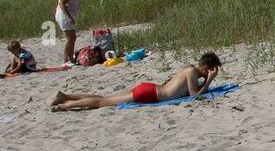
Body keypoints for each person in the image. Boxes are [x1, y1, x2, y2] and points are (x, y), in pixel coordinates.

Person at [50, 52, 221, 111]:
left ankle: (65, 96)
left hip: (150, 88)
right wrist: (209, 82)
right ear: (206, 68)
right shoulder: (192, 72)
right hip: (150, 94)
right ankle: (64, 106)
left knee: (104, 97)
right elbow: (194, 95)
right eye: (210, 71)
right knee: (103, 102)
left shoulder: (188, 67)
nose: (210, 74)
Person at [54, 0, 87, 67]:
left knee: (73, 38)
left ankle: (71, 59)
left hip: (69, 15)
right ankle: (65, 60)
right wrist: (68, 17)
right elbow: (62, 3)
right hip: (64, 15)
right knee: (69, 38)